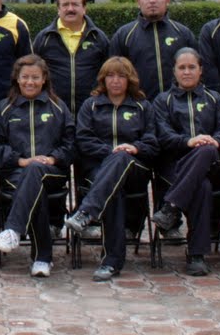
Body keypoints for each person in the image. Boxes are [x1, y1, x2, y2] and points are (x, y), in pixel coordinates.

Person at [63, 57, 158, 282]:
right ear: (103, 79)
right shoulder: (91, 105)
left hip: (135, 169)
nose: (115, 81)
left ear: (130, 79)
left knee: (122, 158)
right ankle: (111, 262)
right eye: (110, 76)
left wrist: (133, 148)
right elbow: (83, 140)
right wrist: (111, 151)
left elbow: (153, 141)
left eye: (121, 76)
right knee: (113, 189)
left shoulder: (142, 106)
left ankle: (87, 212)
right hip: (99, 170)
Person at [0, 55, 76, 278]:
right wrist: (21, 161)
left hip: (52, 171)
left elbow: (71, 142)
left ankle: (14, 230)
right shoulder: (4, 108)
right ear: (17, 79)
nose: (30, 82)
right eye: (25, 77)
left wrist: (54, 158)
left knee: (36, 173)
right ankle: (42, 258)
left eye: (35, 77)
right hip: (14, 173)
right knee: (34, 182)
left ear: (44, 79)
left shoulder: (58, 107)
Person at [149, 48, 220, 277]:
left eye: (191, 67)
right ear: (174, 71)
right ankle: (197, 256)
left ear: (200, 70)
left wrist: (211, 141)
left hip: (211, 164)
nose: (187, 72)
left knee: (206, 151)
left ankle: (171, 207)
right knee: (202, 187)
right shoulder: (162, 100)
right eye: (182, 68)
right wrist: (189, 141)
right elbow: (163, 136)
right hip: (175, 167)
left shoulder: (215, 99)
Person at [31, 0, 109, 115]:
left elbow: (109, 73)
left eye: (75, 4)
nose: (70, 9)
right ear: (58, 9)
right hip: (52, 112)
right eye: (65, 4)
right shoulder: (44, 38)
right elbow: (33, 72)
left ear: (84, 8)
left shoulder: (99, 38)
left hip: (92, 112)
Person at [109, 0, 196, 96]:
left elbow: (198, 70)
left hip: (177, 107)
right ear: (138, 2)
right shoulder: (124, 35)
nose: (152, 1)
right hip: (138, 106)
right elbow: (113, 72)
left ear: (167, 0)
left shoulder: (182, 33)